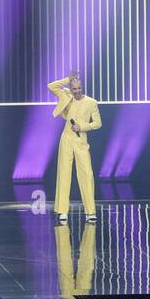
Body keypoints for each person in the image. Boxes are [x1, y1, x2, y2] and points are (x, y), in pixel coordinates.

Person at [47, 72, 101, 224]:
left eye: (78, 89)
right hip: (66, 139)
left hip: (81, 141)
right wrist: (68, 79)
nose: (76, 91)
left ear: (82, 88)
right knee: (64, 174)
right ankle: (63, 211)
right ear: (70, 88)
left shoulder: (91, 103)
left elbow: (97, 123)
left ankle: (90, 211)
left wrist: (82, 126)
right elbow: (51, 86)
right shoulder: (66, 95)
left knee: (87, 174)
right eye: (74, 88)